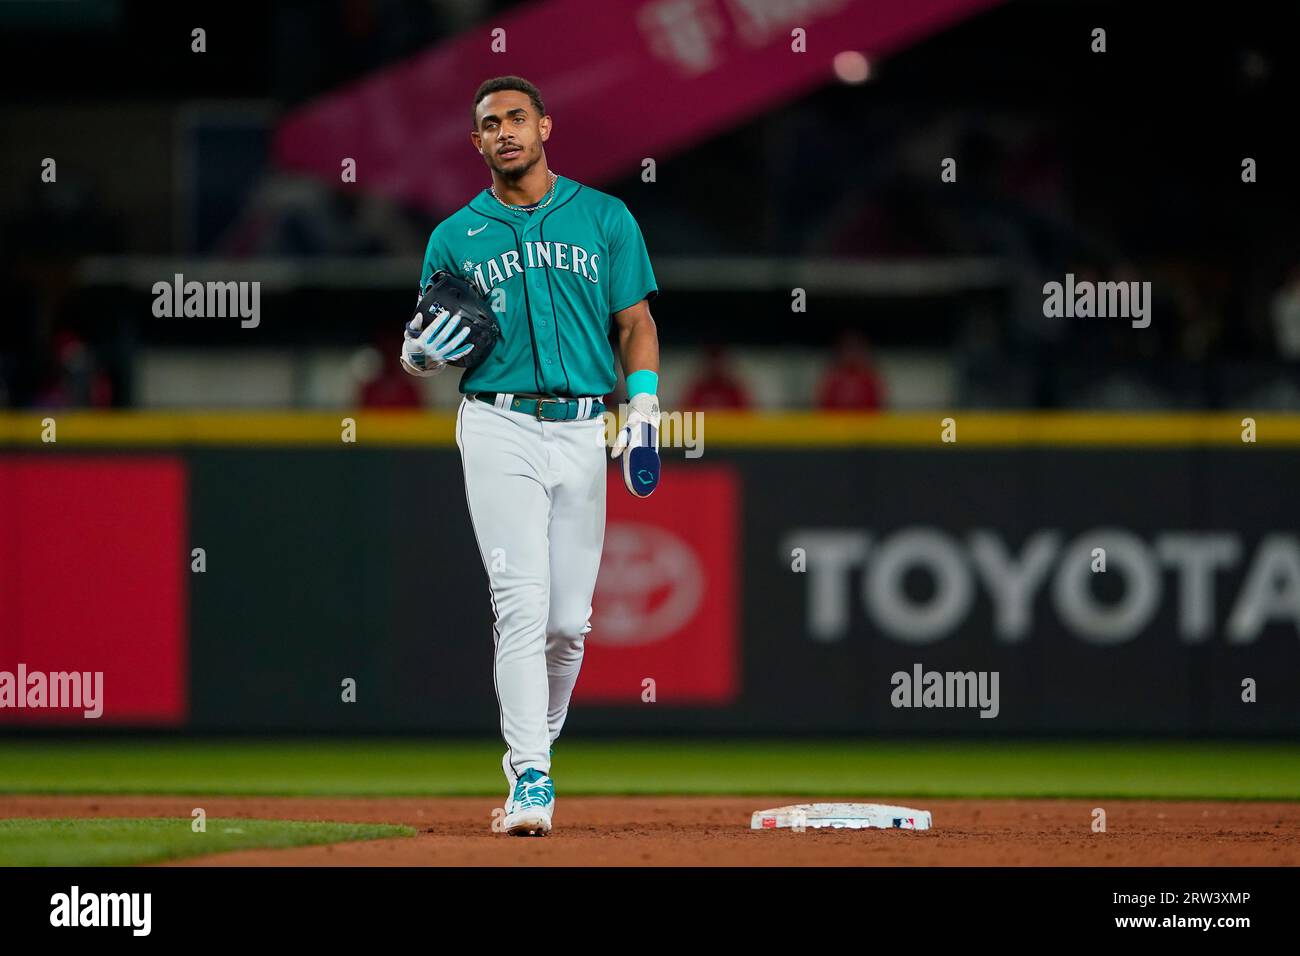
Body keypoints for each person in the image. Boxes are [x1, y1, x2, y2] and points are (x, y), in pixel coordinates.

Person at [399, 76, 661, 836]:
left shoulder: (605, 217)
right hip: (498, 424)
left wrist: (641, 406)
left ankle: (536, 751)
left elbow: (636, 323)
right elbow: (432, 335)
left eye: (518, 117)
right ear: (477, 143)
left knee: (569, 624)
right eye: (490, 123)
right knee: (520, 606)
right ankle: (533, 779)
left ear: (544, 126)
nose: (506, 130)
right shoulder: (454, 236)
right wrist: (417, 357)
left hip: (583, 427)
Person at [817, 330, 885, 410]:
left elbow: (878, 408)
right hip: (836, 421)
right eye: (848, 349)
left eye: (855, 349)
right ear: (840, 352)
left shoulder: (870, 379)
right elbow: (823, 408)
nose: (852, 354)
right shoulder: (832, 379)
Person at [682, 345, 751, 409]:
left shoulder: (733, 391)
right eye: (711, 361)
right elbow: (685, 414)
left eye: (718, 361)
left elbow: (745, 415)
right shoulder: (697, 390)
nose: (715, 366)